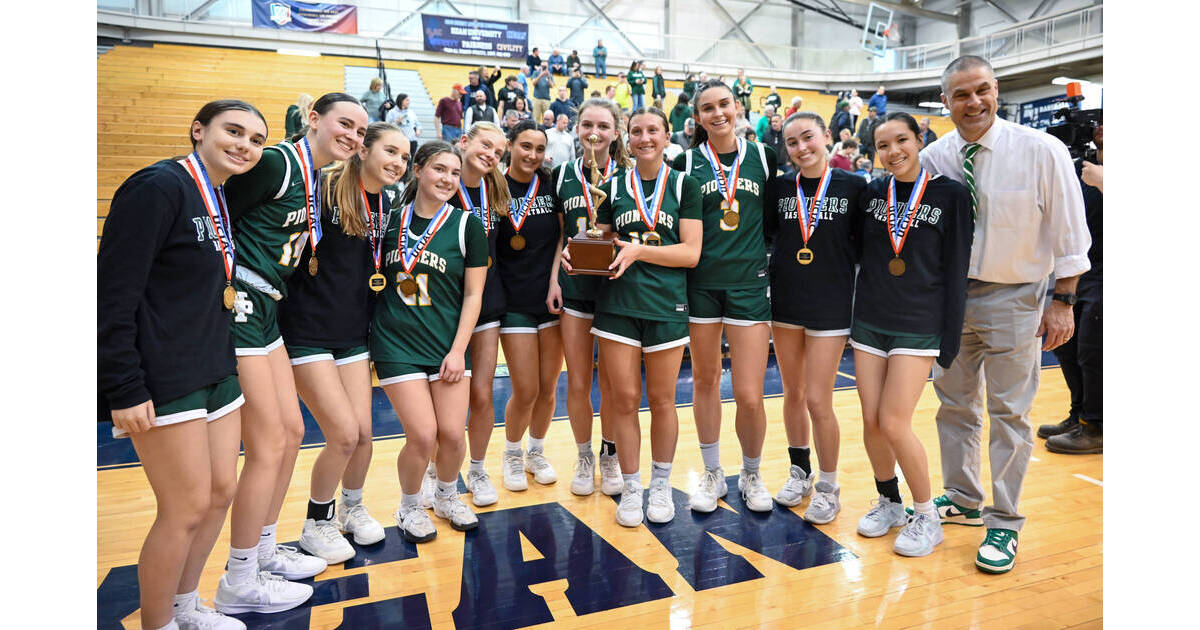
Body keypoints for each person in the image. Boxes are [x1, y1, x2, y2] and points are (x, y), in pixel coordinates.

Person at [99, 100, 269, 630]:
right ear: (199, 130)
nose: (244, 145)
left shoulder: (214, 193)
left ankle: (185, 606)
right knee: (185, 507)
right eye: (233, 131)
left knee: (221, 492)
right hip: (163, 372)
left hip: (214, 365)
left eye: (256, 139)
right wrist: (121, 386)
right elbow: (111, 292)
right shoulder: (157, 186)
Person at [918, 55, 1090, 574]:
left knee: (1010, 413)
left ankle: (1005, 522)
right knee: (954, 405)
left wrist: (1063, 301)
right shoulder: (934, 157)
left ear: (996, 91)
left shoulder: (1041, 150)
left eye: (982, 91)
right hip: (950, 300)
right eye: (962, 95)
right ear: (945, 102)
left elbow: (1070, 232)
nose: (974, 103)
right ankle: (964, 497)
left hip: (1017, 295)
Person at [218, 92, 368, 612]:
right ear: (314, 119)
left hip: (269, 305)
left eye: (359, 132)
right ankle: (239, 578)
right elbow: (218, 215)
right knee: (268, 443)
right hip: (242, 299)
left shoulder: (314, 177)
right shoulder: (279, 162)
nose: (351, 136)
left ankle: (262, 550)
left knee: (293, 434)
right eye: (343, 123)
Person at [562, 106, 703, 527]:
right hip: (618, 304)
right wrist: (578, 255)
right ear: (628, 136)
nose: (645, 138)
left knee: (662, 401)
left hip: (666, 305)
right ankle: (633, 484)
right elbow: (602, 242)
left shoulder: (684, 184)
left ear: (666, 135)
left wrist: (640, 251)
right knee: (622, 401)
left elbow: (690, 253)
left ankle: (661, 484)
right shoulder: (614, 185)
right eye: (637, 131)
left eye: (653, 131)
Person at [278, 121, 408, 564]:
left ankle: (352, 507)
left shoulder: (391, 201)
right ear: (364, 150)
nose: (398, 162)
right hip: (307, 328)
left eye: (405, 157)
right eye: (390, 151)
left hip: (355, 333)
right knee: (343, 435)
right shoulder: (324, 188)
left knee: (365, 436)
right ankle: (317, 521)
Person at [852, 112, 973, 558]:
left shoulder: (951, 195)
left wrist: (950, 334)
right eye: (883, 145)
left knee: (894, 421)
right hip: (869, 319)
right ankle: (890, 502)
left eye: (901, 140)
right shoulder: (870, 194)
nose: (893, 151)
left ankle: (927, 514)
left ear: (919, 139)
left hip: (919, 323)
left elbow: (958, 267)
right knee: (870, 421)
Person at [373, 141, 488, 541]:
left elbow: (474, 295)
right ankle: (407, 507)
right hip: (395, 344)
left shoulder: (466, 225)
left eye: (455, 173)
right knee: (422, 434)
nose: (447, 179)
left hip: (445, 345)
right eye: (439, 169)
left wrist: (458, 350)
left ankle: (445, 495)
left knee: (454, 434)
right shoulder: (387, 222)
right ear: (418, 170)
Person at [672, 80, 777, 513]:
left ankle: (751, 473)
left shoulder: (763, 157)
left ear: (737, 107)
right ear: (696, 118)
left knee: (751, 394)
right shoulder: (686, 163)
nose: (718, 114)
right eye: (708, 108)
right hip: (701, 285)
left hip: (749, 283)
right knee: (705, 381)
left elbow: (772, 221)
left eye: (724, 105)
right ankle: (712, 472)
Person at [762, 111, 867, 525]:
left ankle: (828, 486)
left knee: (818, 398)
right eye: (792, 142)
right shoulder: (780, 187)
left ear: (826, 136)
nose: (801, 147)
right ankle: (799, 472)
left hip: (830, 304)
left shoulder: (855, 187)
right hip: (786, 302)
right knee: (792, 393)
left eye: (808, 137)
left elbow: (863, 245)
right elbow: (771, 235)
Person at [547, 98, 630, 498]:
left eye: (602, 125)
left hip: (619, 290)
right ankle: (583, 456)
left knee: (613, 384)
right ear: (575, 129)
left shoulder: (630, 174)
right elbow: (560, 235)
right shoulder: (561, 175)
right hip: (576, 288)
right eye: (586, 125)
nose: (594, 132)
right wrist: (554, 281)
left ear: (616, 132)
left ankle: (610, 453)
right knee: (578, 380)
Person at [498, 120, 566, 492]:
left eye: (539, 149)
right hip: (513, 301)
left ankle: (536, 451)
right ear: (510, 145)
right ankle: (511, 453)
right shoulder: (494, 186)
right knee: (525, 388)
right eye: (525, 147)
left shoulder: (552, 184)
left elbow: (562, 236)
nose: (532, 155)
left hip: (550, 297)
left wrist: (556, 279)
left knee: (548, 385)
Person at [447, 122, 512, 507]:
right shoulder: (441, 179)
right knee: (446, 397)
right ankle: (436, 471)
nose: (491, 154)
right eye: (485, 145)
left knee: (483, 393)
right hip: (445, 305)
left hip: (486, 302)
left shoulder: (495, 188)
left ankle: (477, 467)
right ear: (464, 141)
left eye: (498, 152)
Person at [1039, 124, 1103, 454]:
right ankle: (1079, 415)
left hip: (1107, 271)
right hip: (1080, 270)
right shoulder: (1080, 169)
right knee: (1067, 346)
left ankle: (1098, 425)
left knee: (1093, 351)